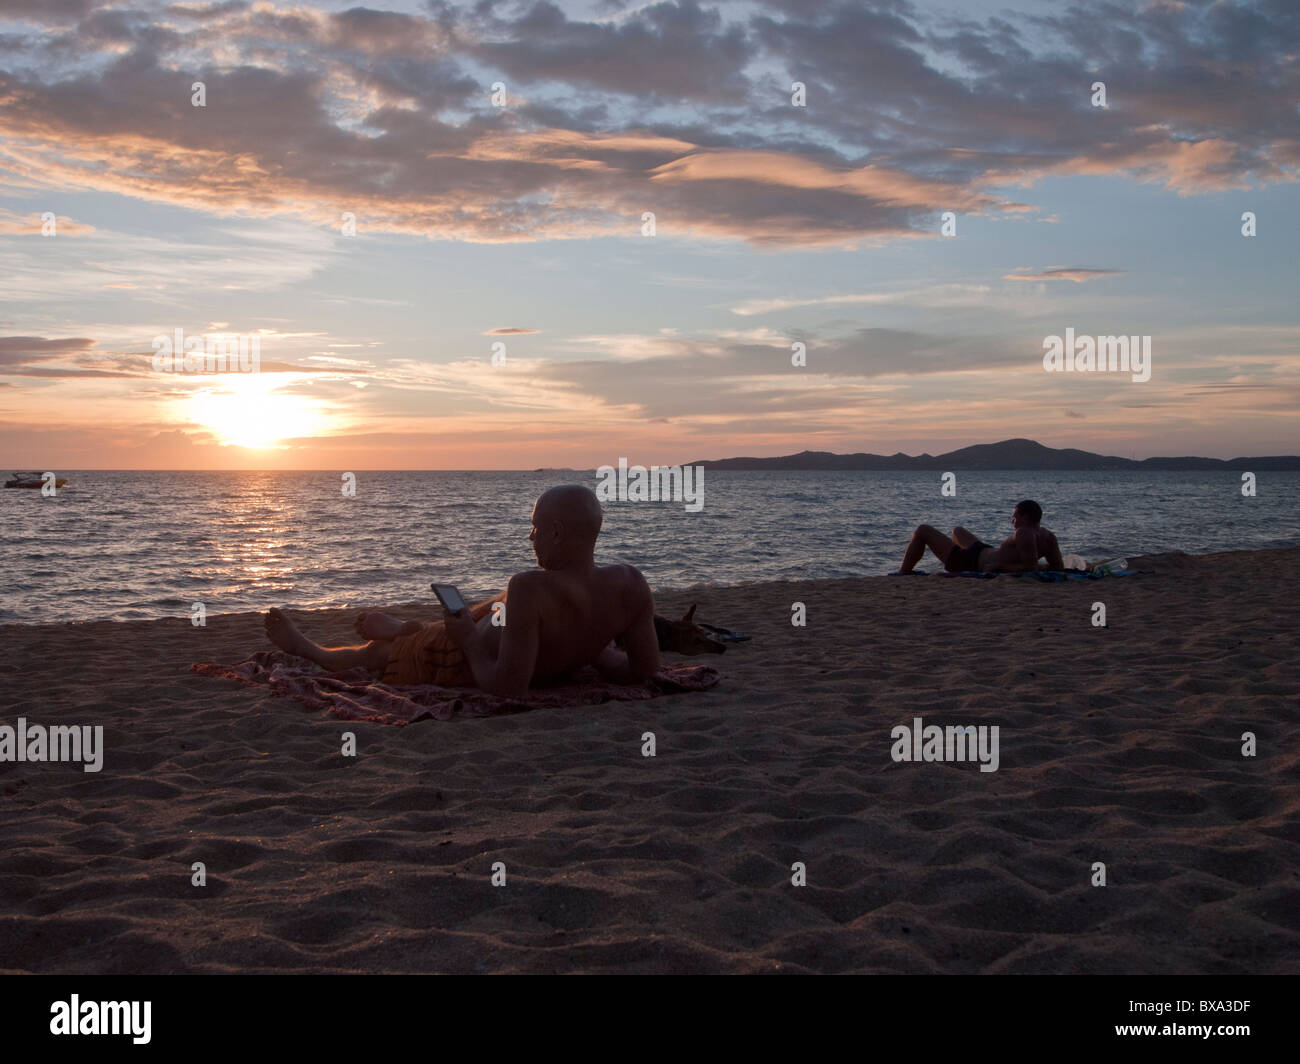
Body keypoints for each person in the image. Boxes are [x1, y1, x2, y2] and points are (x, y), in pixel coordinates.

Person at [264, 485, 661, 697]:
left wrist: (469, 641)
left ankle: (310, 648)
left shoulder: (529, 588)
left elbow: (508, 689)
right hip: (488, 631)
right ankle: (407, 627)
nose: (530, 538)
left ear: (556, 533)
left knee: (377, 655)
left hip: (458, 657)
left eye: (535, 529)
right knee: (482, 611)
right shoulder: (631, 583)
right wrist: (594, 650)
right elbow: (643, 674)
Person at [898, 499, 1064, 574]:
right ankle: (953, 549)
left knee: (922, 530)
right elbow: (1057, 567)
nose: (1012, 521)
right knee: (957, 531)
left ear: (1025, 518)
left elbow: (1030, 567)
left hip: (971, 562)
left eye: (1014, 517)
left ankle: (903, 572)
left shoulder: (1023, 533)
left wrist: (999, 567)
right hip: (983, 550)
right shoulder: (1049, 537)